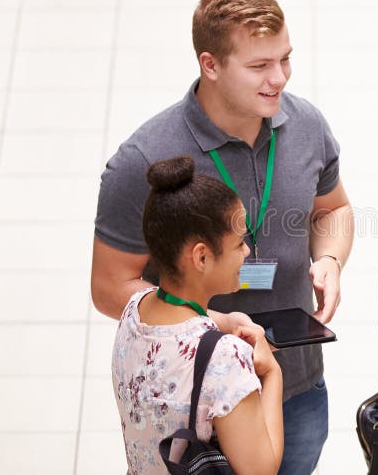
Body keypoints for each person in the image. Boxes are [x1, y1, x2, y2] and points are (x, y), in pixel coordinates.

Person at [93, 0, 353, 474]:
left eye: (285, 59)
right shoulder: (143, 160)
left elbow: (334, 210)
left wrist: (329, 260)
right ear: (209, 65)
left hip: (296, 383)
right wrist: (216, 329)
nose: (279, 79)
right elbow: (110, 288)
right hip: (195, 409)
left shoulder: (305, 126)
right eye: (259, 66)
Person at [112, 156, 283, 475]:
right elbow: (261, 470)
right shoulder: (227, 358)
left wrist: (226, 321)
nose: (246, 252)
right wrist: (272, 374)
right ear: (202, 256)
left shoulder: (134, 310)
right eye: (238, 244)